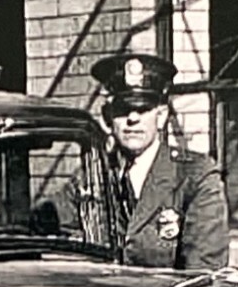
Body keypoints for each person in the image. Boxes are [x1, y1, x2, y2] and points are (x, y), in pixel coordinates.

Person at [90, 52, 229, 271]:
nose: (133, 119)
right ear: (108, 118)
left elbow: (203, 271)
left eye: (143, 109)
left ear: (162, 116)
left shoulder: (195, 175)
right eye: (123, 110)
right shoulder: (93, 178)